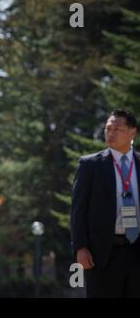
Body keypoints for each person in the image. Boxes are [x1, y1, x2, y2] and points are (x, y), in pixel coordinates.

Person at [71, 109, 140, 297]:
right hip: (103, 254)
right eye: (108, 128)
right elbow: (78, 209)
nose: (111, 133)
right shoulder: (90, 165)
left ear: (132, 132)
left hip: (137, 252)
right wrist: (80, 248)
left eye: (117, 129)